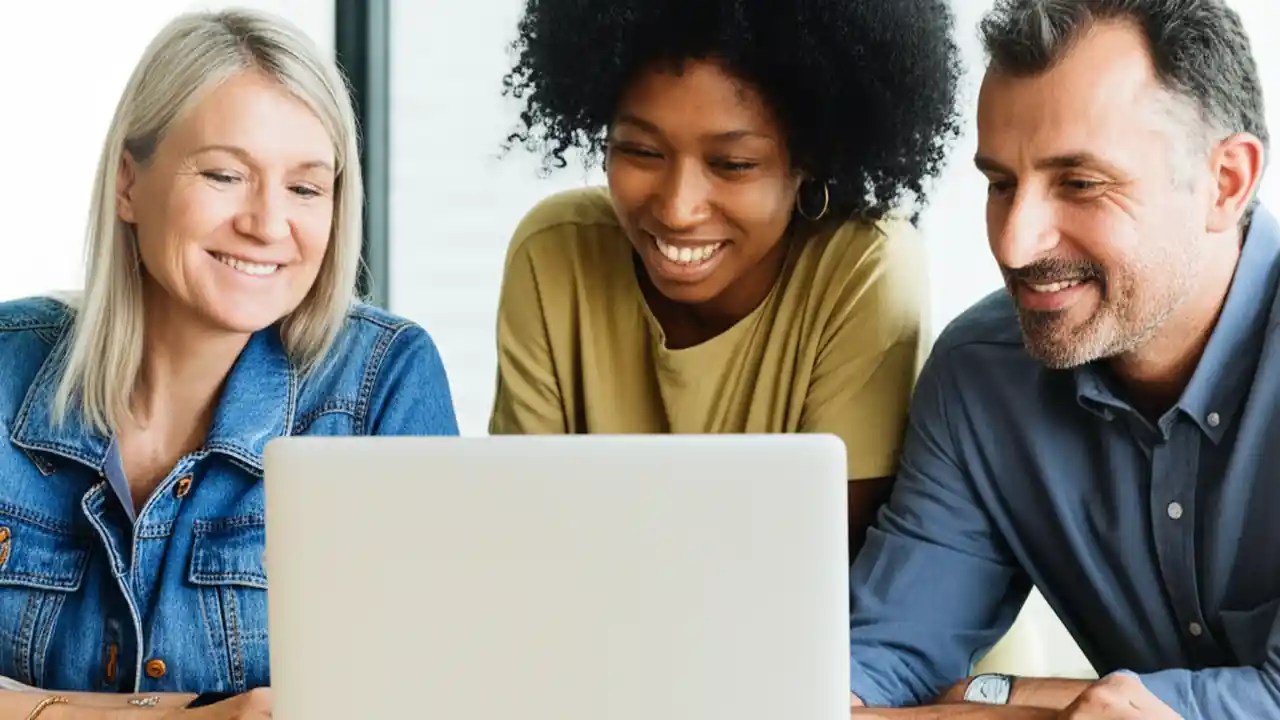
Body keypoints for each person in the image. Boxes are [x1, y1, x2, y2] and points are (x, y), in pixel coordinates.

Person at [0, 9, 458, 718]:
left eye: (305, 188)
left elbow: (428, 691)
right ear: (128, 184)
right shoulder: (7, 363)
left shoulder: (382, 385)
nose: (267, 224)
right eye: (224, 175)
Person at [846, 0, 1272, 718]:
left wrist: (1021, 698)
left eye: (1080, 184)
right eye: (1000, 184)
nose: (1014, 244)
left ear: (1225, 181)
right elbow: (882, 662)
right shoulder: (981, 379)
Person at [491, 0, 962, 556]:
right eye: (641, 151)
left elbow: (823, 570)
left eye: (733, 164)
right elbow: (523, 537)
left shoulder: (863, 269)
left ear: (810, 158)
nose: (678, 208)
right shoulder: (555, 254)